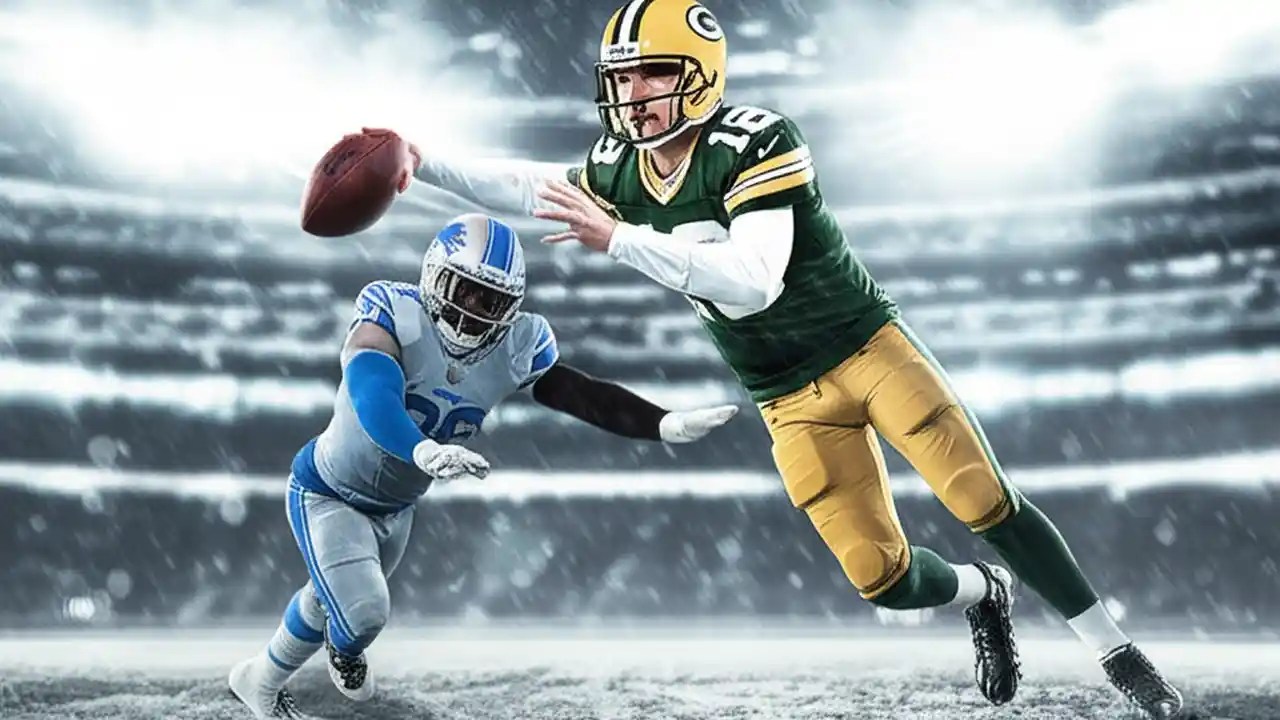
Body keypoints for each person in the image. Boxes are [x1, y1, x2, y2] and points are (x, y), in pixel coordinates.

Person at [399, 1, 1190, 717]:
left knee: (979, 495)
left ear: (699, 77)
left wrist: (625, 241)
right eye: (622, 77)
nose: (633, 93)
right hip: (783, 393)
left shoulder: (755, 140)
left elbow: (752, 281)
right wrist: (418, 161)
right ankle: (986, 592)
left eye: (650, 74)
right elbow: (533, 186)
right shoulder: (618, 167)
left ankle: (1118, 655)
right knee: (880, 575)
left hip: (864, 346)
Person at [227, 212, 738, 718]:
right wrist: (421, 449)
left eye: (489, 300)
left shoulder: (516, 343)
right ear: (432, 275)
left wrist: (662, 423)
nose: (472, 312)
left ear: (510, 306)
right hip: (329, 491)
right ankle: (298, 668)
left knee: (333, 598)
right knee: (361, 611)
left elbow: (580, 394)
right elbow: (372, 391)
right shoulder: (395, 314)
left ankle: (276, 669)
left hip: (397, 507)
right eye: (463, 290)